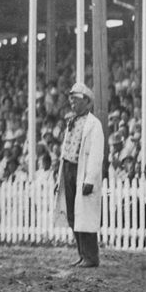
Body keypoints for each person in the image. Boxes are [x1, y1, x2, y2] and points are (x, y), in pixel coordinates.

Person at [57, 82, 105, 268]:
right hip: (69, 169)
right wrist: (60, 177)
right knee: (72, 215)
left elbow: (96, 154)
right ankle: (82, 254)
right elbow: (65, 150)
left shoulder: (94, 124)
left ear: (87, 101)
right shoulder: (72, 122)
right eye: (71, 101)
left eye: (76, 100)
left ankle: (91, 257)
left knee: (86, 216)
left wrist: (90, 179)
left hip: (82, 171)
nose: (73, 104)